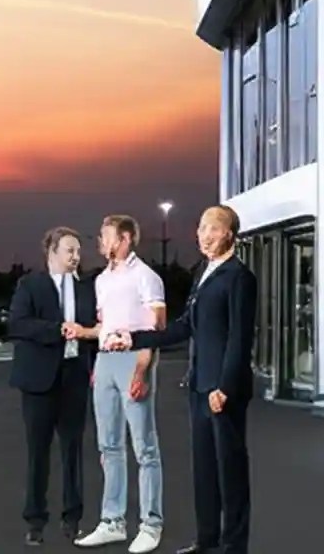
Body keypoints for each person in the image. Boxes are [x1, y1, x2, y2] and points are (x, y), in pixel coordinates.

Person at [106, 205, 256, 554]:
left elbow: (239, 338)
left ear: (230, 234)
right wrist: (134, 338)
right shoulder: (203, 272)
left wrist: (225, 388)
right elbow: (184, 326)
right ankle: (206, 541)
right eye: (201, 227)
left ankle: (234, 546)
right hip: (199, 388)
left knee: (229, 472)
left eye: (213, 229)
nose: (204, 235)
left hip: (222, 391)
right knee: (204, 469)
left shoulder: (239, 277)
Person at [75, 215, 166, 553]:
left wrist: (142, 369)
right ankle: (112, 521)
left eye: (105, 235)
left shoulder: (147, 277)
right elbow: (106, 325)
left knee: (144, 448)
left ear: (125, 238)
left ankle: (151, 524)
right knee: (108, 446)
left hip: (134, 360)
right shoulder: (102, 280)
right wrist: (86, 338)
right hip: (106, 362)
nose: (100, 240)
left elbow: (156, 328)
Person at [8, 226, 99, 546]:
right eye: (70, 251)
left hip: (75, 377)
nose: (76, 256)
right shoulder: (30, 284)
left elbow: (96, 329)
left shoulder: (88, 288)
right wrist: (57, 330)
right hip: (38, 381)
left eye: (78, 251)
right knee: (38, 453)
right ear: (52, 251)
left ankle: (73, 517)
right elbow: (17, 324)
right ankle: (35, 519)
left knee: (73, 450)